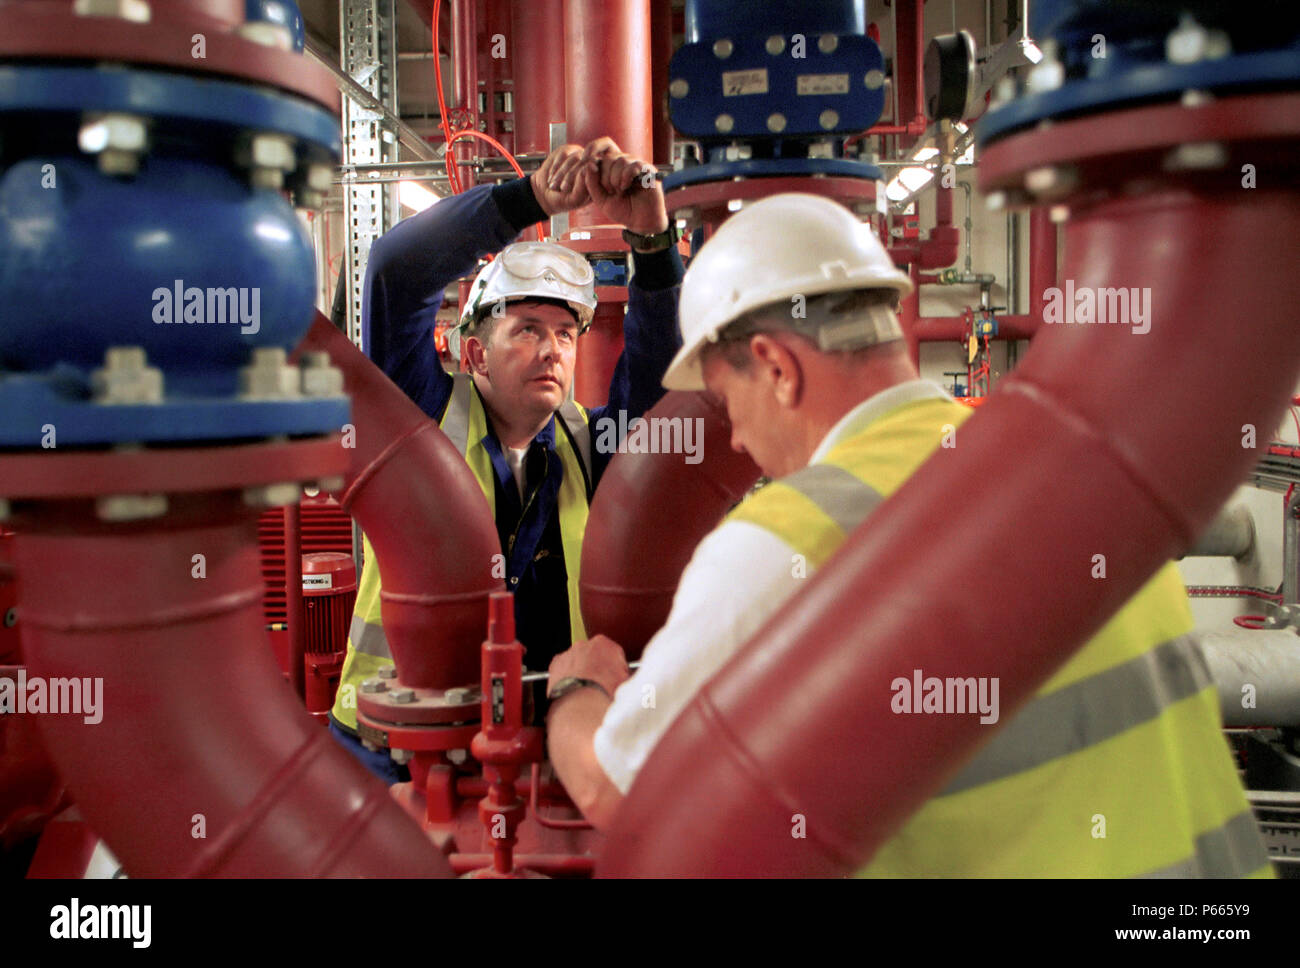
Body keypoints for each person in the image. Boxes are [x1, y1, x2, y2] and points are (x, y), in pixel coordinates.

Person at [545, 192, 1271, 877]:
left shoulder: (785, 541)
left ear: (775, 366)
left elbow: (629, 796)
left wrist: (578, 694)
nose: (733, 439)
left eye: (729, 401)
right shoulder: (1068, 473)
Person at [329, 138, 684, 782]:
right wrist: (528, 200)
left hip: (545, 743)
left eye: (565, 334)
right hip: (399, 745)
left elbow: (660, 381)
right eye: (527, 330)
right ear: (472, 355)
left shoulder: (591, 447)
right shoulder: (420, 420)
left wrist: (654, 245)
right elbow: (393, 270)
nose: (552, 350)